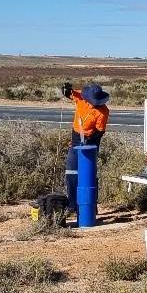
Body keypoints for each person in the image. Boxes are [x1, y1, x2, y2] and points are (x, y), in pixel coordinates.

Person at [62, 82, 110, 212]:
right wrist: (66, 89)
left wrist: (87, 144)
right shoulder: (81, 98)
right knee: (71, 172)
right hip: (76, 138)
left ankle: (91, 206)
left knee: (89, 174)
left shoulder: (103, 112)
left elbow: (99, 132)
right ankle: (72, 205)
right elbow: (69, 94)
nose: (93, 104)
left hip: (91, 141)